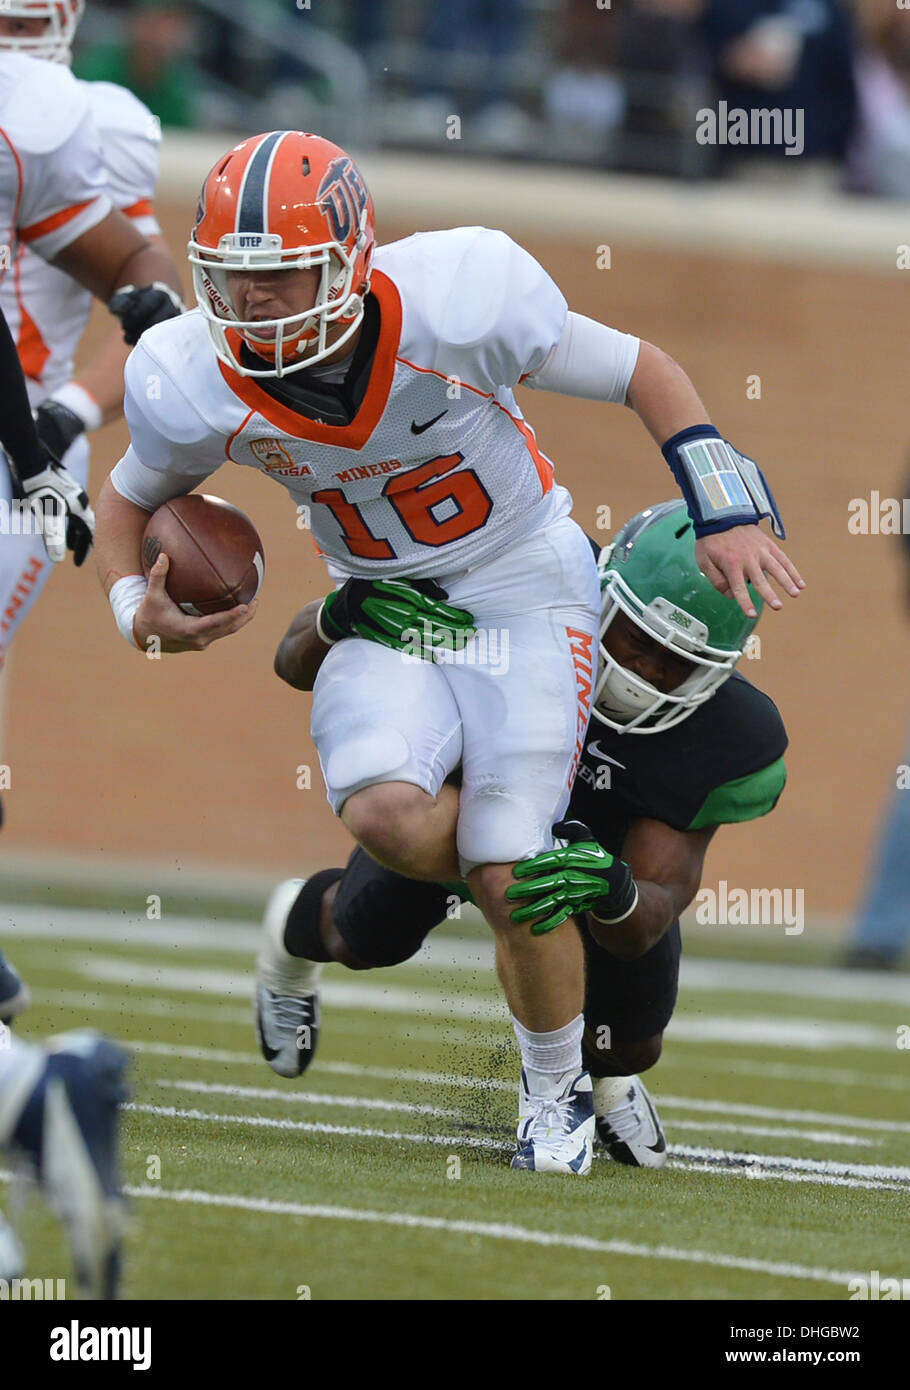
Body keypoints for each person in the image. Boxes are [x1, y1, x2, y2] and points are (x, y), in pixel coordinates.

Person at [93, 129, 802, 1177]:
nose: (254, 309)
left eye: (281, 278)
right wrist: (127, 606)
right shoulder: (193, 375)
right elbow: (128, 495)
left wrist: (723, 506)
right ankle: (424, 906)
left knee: (516, 866)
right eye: (234, 285)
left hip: (523, 580)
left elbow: (640, 367)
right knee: (386, 813)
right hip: (386, 600)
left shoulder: (458, 297)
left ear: (348, 257)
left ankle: (553, 1092)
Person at [256, 500, 788, 1168]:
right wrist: (338, 618)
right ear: (598, 598)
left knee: (627, 1044)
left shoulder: (732, 737)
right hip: (459, 822)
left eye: (674, 662)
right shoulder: (514, 583)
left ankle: (596, 1079)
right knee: (358, 938)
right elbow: (291, 661)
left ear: (716, 671)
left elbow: (657, 902)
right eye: (635, 641)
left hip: (584, 866)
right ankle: (289, 934)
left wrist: (614, 889)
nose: (644, 672)